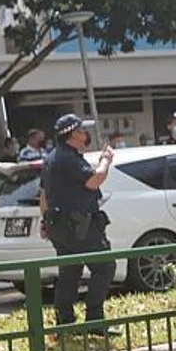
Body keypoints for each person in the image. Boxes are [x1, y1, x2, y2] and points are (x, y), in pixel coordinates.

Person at [38, 114, 116, 335]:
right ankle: (94, 320)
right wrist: (106, 160)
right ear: (72, 134)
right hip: (78, 225)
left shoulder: (52, 158)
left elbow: (44, 194)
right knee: (105, 266)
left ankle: (65, 321)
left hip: (60, 226)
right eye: (82, 130)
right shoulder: (68, 158)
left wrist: (45, 220)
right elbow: (94, 181)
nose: (85, 134)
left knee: (70, 271)